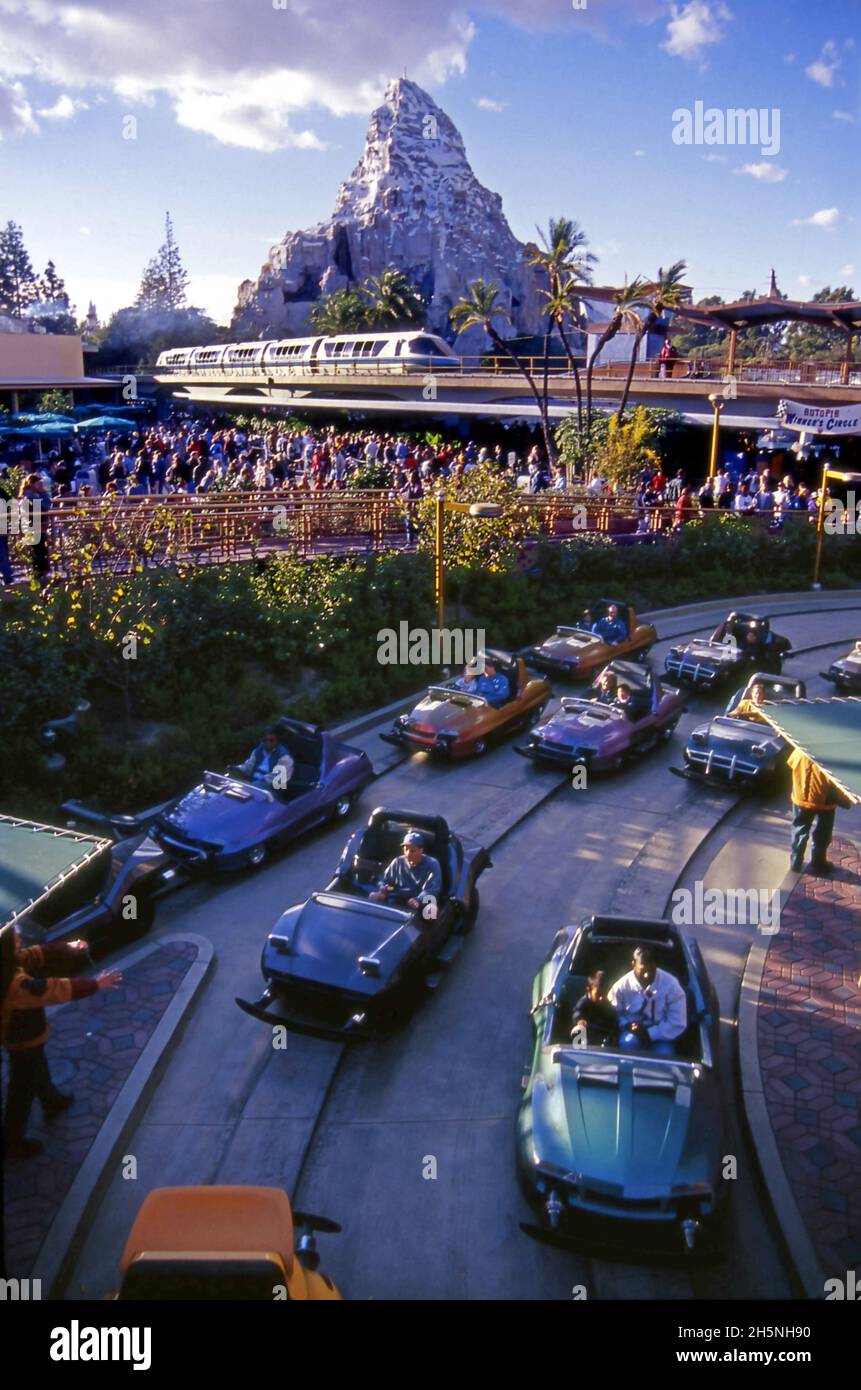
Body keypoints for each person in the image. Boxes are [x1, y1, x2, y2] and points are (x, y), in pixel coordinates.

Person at [1, 925, 122, 1160]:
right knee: (20, 1091)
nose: (20, 938)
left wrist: (69, 947)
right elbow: (54, 990)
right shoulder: (13, 985)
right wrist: (96, 984)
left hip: (28, 1038)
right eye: (15, 937)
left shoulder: (8, 963)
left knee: (37, 1069)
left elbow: (37, 953)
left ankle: (51, 1101)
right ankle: (13, 1143)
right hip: (21, 1041)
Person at [608, 945, 687, 1057]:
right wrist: (627, 1025)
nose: (647, 975)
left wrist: (650, 1033)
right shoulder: (620, 987)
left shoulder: (672, 986)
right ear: (633, 964)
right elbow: (614, 1013)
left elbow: (677, 1022)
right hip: (632, 1034)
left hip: (662, 1036)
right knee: (626, 1044)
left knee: (665, 1054)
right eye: (643, 970)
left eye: (652, 970)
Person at [788, 748, 855, 875]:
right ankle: (818, 863)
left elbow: (792, 764)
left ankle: (795, 862)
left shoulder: (799, 750)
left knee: (799, 829)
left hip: (801, 798)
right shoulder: (833, 755)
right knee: (823, 832)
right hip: (825, 802)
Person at [370, 831, 443, 911]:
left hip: (418, 902)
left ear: (421, 850)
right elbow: (386, 881)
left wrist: (418, 900)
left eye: (412, 851)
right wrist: (384, 889)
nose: (408, 854)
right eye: (406, 849)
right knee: (373, 896)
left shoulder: (432, 864)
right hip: (397, 898)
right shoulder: (398, 861)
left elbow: (431, 890)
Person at [571, 971, 619, 1046]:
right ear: (589, 990)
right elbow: (577, 1012)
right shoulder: (584, 1003)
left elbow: (614, 1021)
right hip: (588, 1032)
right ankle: (579, 1052)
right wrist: (580, 1020)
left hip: (602, 1034)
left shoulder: (607, 1005)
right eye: (598, 994)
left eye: (604, 994)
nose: (601, 998)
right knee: (578, 1030)